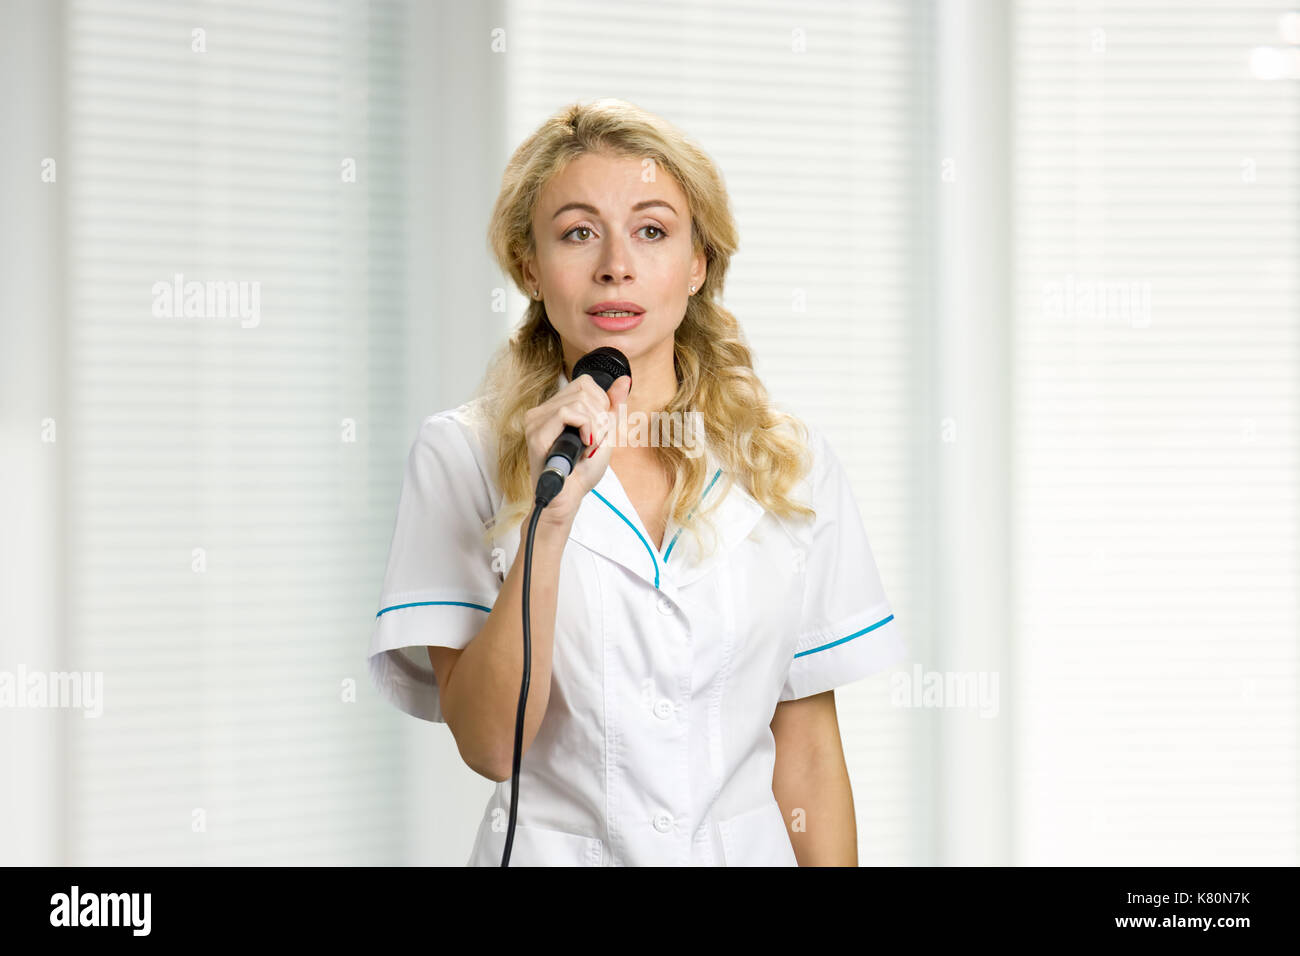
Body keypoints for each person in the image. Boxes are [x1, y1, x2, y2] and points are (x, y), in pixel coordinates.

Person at [367, 97, 906, 866]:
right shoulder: (462, 454)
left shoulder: (787, 462)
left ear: (697, 265)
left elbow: (811, 752)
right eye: (578, 232)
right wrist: (548, 526)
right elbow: (490, 745)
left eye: (652, 230)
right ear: (530, 267)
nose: (616, 263)